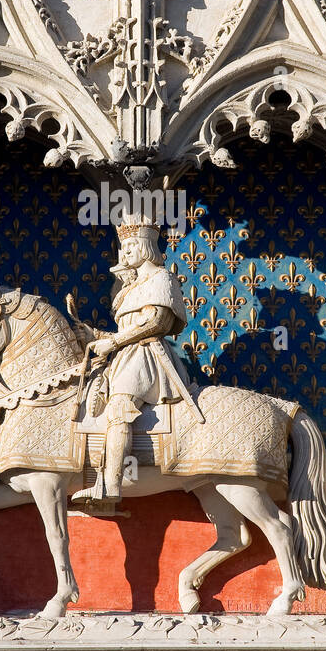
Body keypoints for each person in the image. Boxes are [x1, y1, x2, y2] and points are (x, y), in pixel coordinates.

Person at [71, 216, 197, 505]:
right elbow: (128, 327)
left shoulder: (162, 278)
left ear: (145, 246)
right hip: (126, 354)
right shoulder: (132, 286)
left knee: (118, 408)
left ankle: (110, 485)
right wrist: (95, 334)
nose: (124, 253)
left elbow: (156, 322)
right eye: (122, 247)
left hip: (147, 356)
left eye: (130, 246)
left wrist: (113, 341)